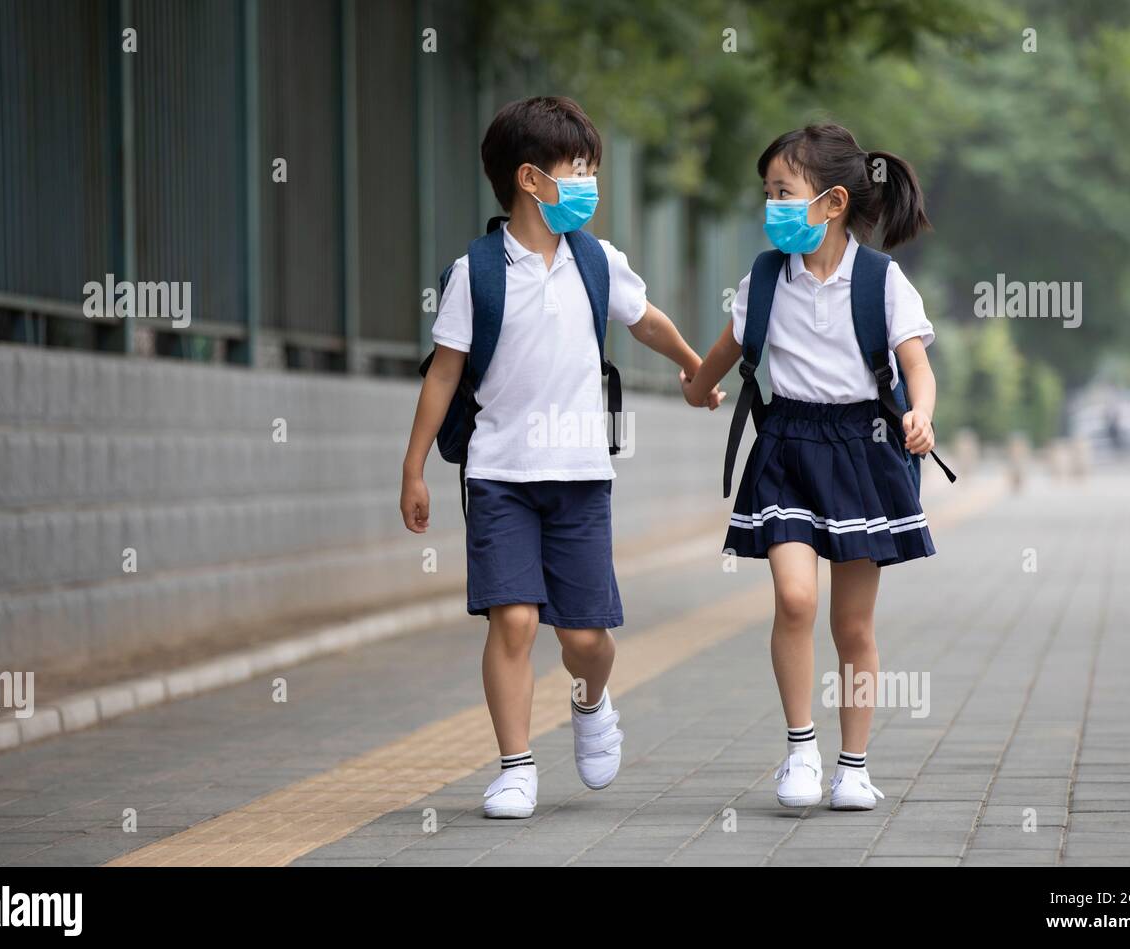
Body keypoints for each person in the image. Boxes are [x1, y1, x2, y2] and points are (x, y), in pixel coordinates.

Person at [400, 96, 721, 819]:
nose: (589, 184)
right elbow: (444, 374)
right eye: (578, 170)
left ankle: (592, 700)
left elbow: (646, 322)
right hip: (499, 475)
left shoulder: (596, 261)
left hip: (579, 476)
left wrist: (697, 372)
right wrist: (414, 468)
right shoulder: (475, 272)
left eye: (592, 170)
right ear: (529, 179)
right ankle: (516, 767)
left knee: (586, 638)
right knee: (512, 622)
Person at [682, 124, 940, 810]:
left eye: (782, 192)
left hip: (863, 452)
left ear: (830, 202)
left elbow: (917, 368)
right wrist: (696, 383)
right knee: (795, 599)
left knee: (852, 627)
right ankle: (800, 750)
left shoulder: (883, 283)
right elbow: (717, 358)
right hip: (788, 447)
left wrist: (922, 414)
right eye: (766, 192)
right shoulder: (763, 279)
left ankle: (853, 766)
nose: (770, 206)